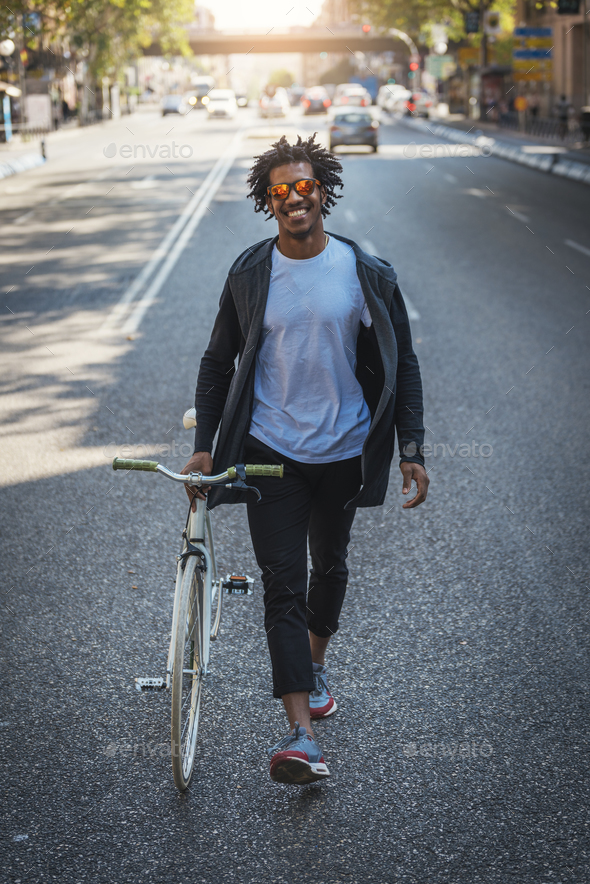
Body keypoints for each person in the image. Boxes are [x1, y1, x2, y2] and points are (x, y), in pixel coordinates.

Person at [181, 134, 428, 785]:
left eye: (305, 186)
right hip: (272, 456)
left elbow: (402, 363)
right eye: (281, 190)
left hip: (345, 452)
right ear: (268, 201)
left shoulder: (366, 273)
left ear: (324, 191)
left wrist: (411, 448)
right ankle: (301, 735)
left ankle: (314, 665)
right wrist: (208, 442)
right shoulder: (250, 273)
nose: (295, 198)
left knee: (332, 567)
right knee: (282, 585)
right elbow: (217, 362)